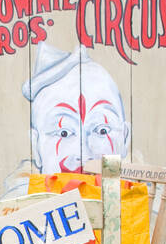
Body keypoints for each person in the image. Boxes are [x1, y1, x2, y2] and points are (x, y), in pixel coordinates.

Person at [23, 43, 132, 175]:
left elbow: (112, 192)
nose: (84, 156)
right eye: (64, 133)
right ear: (36, 147)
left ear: (124, 139)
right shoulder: (21, 194)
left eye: (102, 131)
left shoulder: (142, 194)